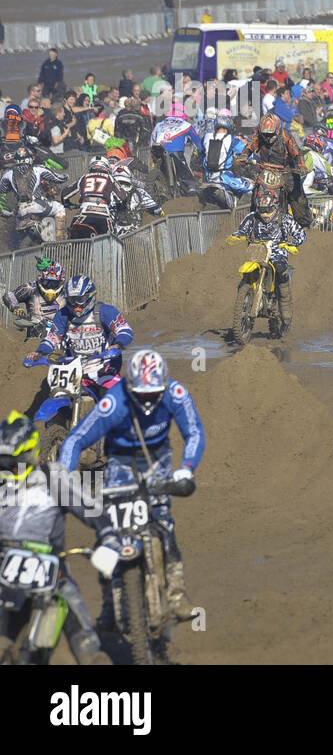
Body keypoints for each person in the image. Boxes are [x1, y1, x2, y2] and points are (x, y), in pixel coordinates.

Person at [58, 349, 205, 624]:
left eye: (153, 394)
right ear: (129, 386)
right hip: (121, 460)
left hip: (158, 457)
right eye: (142, 394)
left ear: (165, 384)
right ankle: (109, 605)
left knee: (163, 520)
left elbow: (194, 431)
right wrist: (63, 476)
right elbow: (75, 439)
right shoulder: (113, 402)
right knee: (109, 530)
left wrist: (186, 469)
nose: (148, 400)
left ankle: (177, 596)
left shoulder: (176, 394)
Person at [0, 411, 120, 664]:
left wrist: (109, 539)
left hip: (52, 575)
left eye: (12, 460)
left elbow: (94, 512)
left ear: (31, 453)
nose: (8, 467)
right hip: (5, 574)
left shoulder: (52, 477)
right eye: (2, 461)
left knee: (89, 650)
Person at [23, 275, 133, 415]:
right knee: (58, 402)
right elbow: (52, 338)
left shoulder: (105, 312)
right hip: (74, 371)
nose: (75, 305)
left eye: (79, 300)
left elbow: (125, 330)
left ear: (91, 296)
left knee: (115, 405)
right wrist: (39, 353)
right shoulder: (63, 315)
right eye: (71, 300)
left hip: (104, 369)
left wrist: (118, 345)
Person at [229, 190, 306, 328]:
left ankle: (286, 314)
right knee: (245, 275)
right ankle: (244, 301)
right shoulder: (252, 217)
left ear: (275, 206)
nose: (264, 213)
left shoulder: (284, 218)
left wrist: (291, 244)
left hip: (277, 252)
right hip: (256, 250)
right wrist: (237, 236)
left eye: (268, 209)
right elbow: (242, 230)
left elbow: (301, 234)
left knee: (281, 271)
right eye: (262, 209)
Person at [243, 112, 310, 224]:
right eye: (265, 134)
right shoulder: (259, 136)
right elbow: (250, 146)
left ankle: (304, 224)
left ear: (277, 130)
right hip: (266, 168)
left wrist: (301, 165)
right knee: (256, 190)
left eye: (270, 134)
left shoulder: (286, 135)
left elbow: (297, 152)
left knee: (297, 197)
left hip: (286, 169)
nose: (267, 137)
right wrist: (244, 156)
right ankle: (253, 221)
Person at [1, 144, 68, 240]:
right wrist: (65, 177)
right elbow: (57, 178)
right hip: (36, 205)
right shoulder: (38, 169)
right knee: (59, 208)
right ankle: (60, 239)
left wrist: (5, 210)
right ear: (30, 158)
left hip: (20, 210)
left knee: (15, 239)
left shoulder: (8, 174)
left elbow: (1, 192)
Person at [199, 110, 252, 208]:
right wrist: (255, 158)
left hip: (207, 178)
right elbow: (248, 152)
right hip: (224, 177)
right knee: (250, 187)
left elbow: (200, 153)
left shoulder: (205, 138)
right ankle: (236, 206)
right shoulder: (233, 140)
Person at [4, 257, 67, 339]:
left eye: (54, 283)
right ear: (41, 278)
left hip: (60, 342)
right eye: (47, 282)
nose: (50, 286)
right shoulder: (31, 288)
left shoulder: (66, 293)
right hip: (34, 341)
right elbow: (9, 296)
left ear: (61, 281)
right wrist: (16, 308)